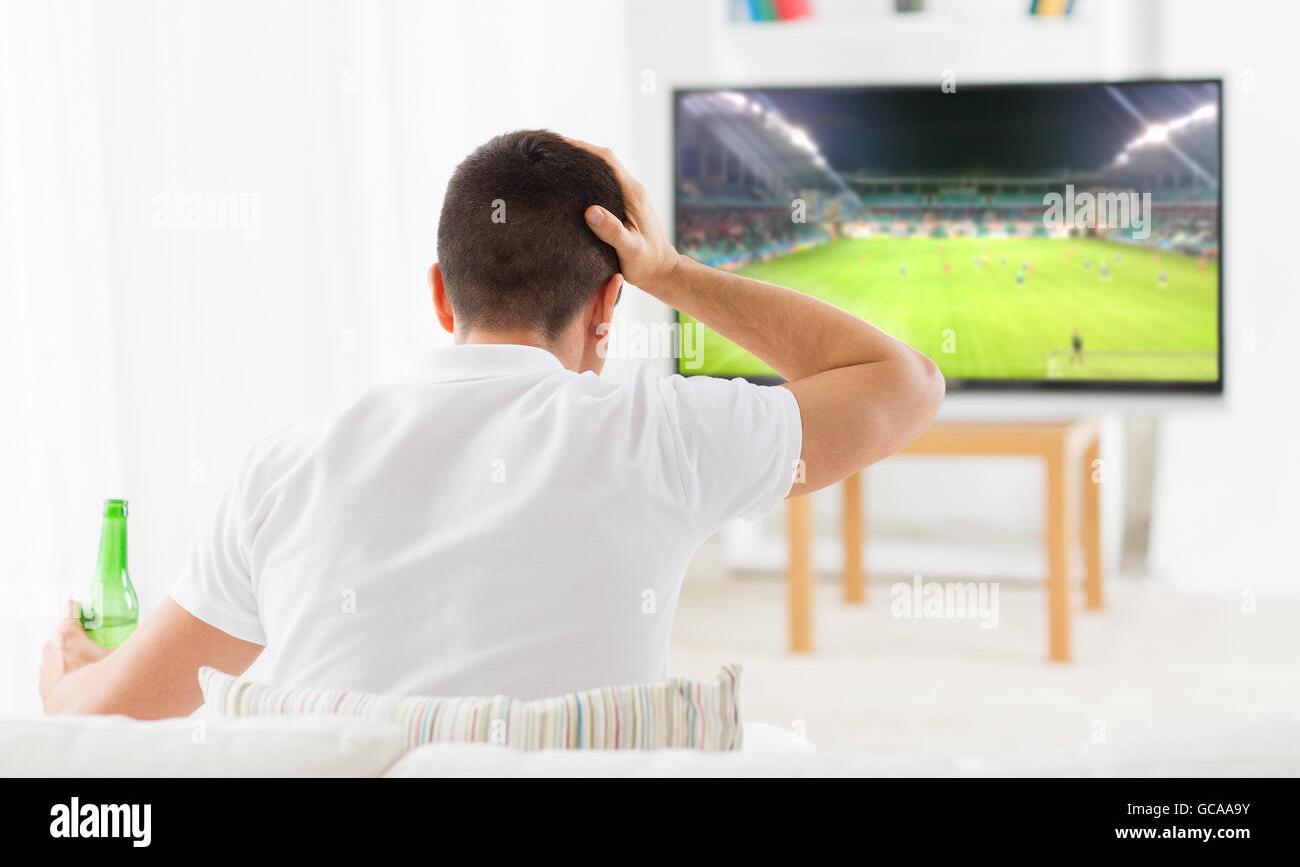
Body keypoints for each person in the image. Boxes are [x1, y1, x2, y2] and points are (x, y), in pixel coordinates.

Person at [39, 131, 944, 717]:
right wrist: (671, 273)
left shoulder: (288, 468)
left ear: (440, 292)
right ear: (607, 306)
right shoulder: (661, 434)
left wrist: (64, 679)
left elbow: (106, 714)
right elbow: (905, 384)